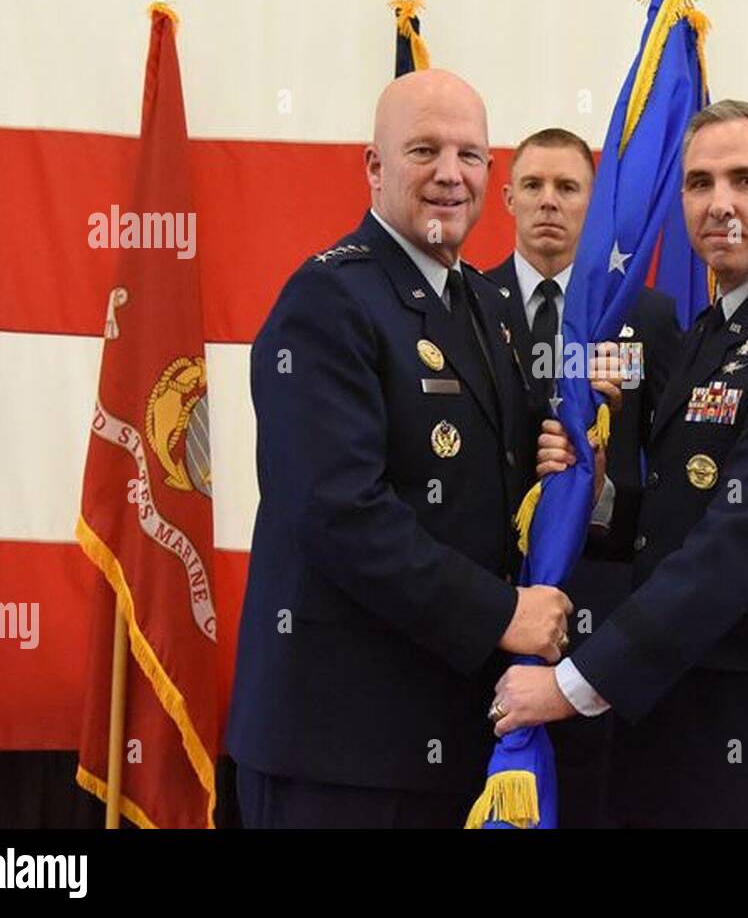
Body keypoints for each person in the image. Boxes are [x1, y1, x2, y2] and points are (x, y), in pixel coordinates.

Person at [494, 99, 748, 828]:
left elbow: (734, 548)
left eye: (745, 180)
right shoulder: (712, 329)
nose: (719, 203)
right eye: (700, 183)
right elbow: (678, 515)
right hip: (679, 736)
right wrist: (599, 493)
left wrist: (573, 684)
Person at [226, 68, 573, 829]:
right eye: (424, 150)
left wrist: (578, 470)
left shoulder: (483, 303)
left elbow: (506, 484)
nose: (450, 174)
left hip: (448, 728)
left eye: (471, 155)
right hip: (340, 749)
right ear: (374, 168)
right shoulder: (328, 301)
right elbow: (338, 512)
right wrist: (500, 613)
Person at [486, 128, 681, 826]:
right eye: (533, 186)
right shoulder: (470, 306)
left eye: (568, 188)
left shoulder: (646, 318)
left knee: (596, 798)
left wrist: (597, 493)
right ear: (505, 198)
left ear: (593, 206)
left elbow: (673, 478)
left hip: (602, 603)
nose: (548, 203)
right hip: (488, 600)